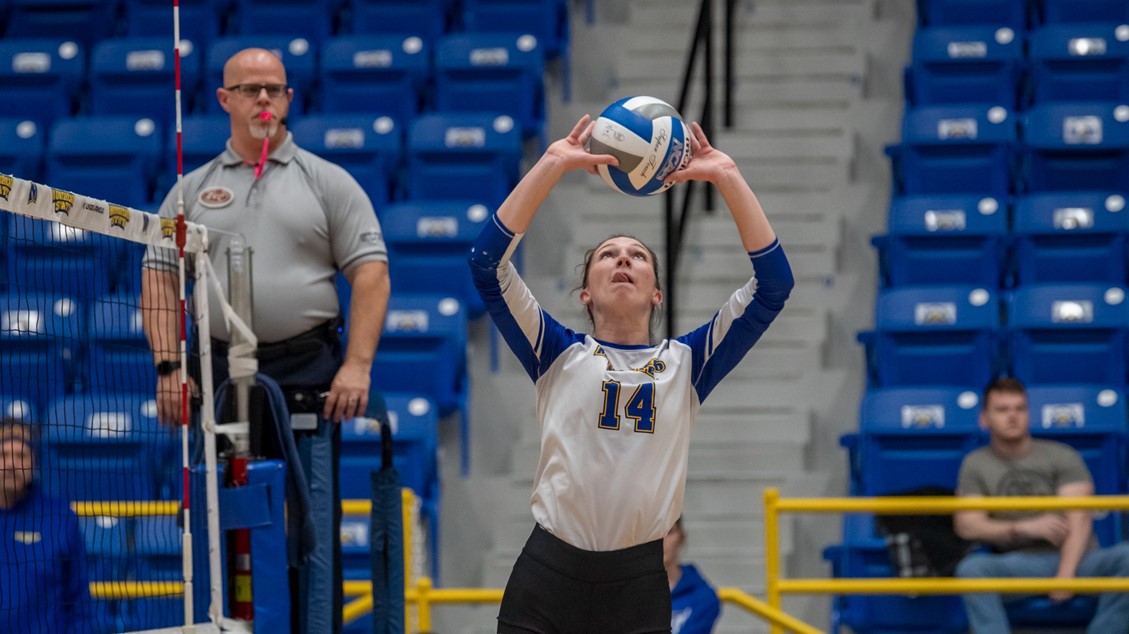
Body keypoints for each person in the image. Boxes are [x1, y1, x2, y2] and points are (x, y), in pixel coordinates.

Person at [469, 116, 793, 633]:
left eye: (638, 256)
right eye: (608, 256)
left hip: (637, 585)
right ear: (586, 293)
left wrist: (726, 174)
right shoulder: (555, 351)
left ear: (657, 293)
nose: (623, 260)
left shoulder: (689, 363)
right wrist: (552, 163)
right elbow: (487, 264)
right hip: (548, 575)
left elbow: (774, 285)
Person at [141, 48, 391, 633]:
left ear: (288, 99)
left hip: (307, 376)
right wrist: (168, 367)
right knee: (220, 529)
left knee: (311, 532)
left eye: (273, 89)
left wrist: (357, 365)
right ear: (224, 99)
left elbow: (371, 273)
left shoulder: (327, 181)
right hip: (217, 378)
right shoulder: (191, 190)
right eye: (249, 89)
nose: (263, 100)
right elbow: (157, 275)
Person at [953, 377, 1129, 633]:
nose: (1013, 416)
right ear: (984, 418)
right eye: (1002, 410)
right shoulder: (975, 463)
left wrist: (1065, 576)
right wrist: (1024, 528)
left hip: (1080, 559)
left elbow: (1079, 518)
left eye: (1020, 408)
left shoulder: (1061, 454)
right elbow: (968, 525)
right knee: (971, 569)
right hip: (1018, 563)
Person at [0, 418, 96, 633]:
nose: (11, 464)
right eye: (3, 455)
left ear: (34, 461)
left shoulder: (60, 518)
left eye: (21, 455)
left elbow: (79, 604)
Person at [665, 517, 721, 634]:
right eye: (654, 534)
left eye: (669, 532)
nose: (661, 540)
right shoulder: (632, 592)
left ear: (681, 537)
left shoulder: (704, 597)